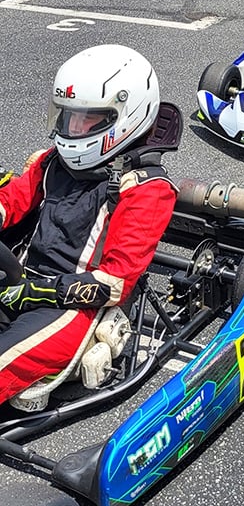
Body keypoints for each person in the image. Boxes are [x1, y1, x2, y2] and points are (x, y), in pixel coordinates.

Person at [0, 44, 179, 404]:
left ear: (126, 116)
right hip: (19, 283)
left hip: (72, 311)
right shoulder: (53, 162)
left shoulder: (146, 189)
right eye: (68, 117)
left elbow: (114, 283)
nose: (73, 129)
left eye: (88, 120)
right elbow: (12, 201)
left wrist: (41, 291)